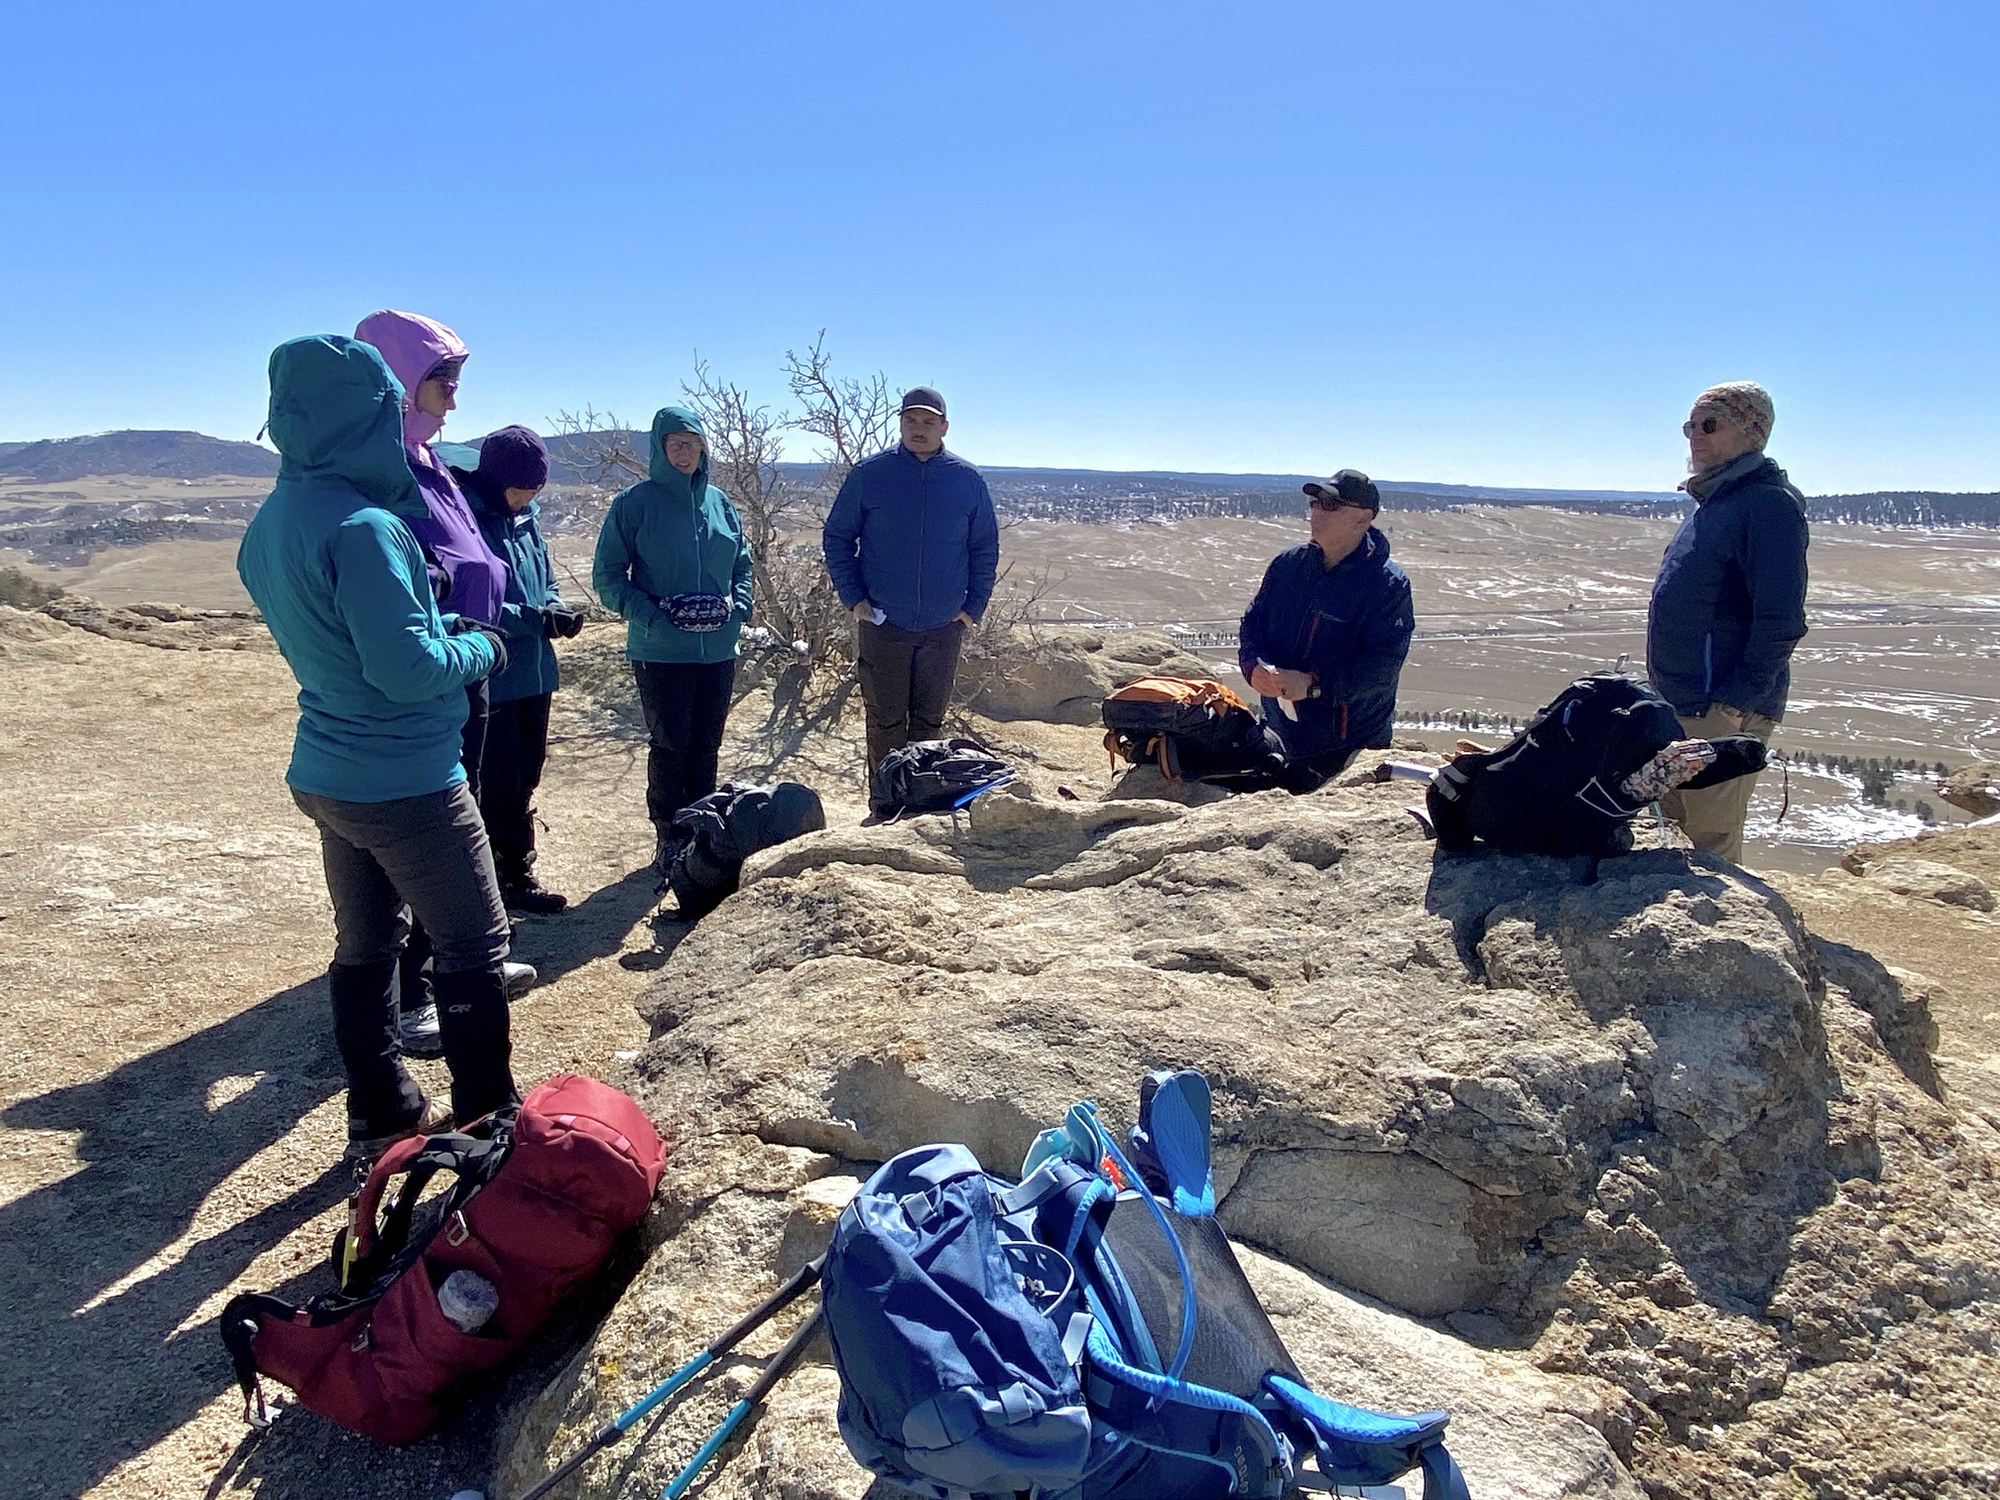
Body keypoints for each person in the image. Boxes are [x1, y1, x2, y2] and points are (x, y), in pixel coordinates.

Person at [236, 335, 518, 1168]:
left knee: (366, 943)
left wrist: (434, 627)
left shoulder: (275, 519)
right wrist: (482, 649)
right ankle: (485, 1130)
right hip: (406, 779)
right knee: (473, 947)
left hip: (328, 771)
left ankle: (383, 1108)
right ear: (363, 416)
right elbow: (405, 670)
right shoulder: (365, 526)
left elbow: (344, 642)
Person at [353, 309, 529, 1050]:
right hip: (434, 665)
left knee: (464, 815)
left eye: (456, 378)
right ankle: (413, 991)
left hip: (468, 662)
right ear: (398, 380)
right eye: (441, 379)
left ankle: (448, 965)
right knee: (429, 832)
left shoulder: (426, 459)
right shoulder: (384, 464)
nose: (454, 395)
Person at [1646, 381, 1809, 863]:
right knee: (1674, 828)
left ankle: (1728, 939)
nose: (1696, 436)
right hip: (1683, 699)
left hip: (1720, 706)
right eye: (1690, 426)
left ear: (1751, 432)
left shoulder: (1767, 506)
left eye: (1710, 424)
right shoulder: (1716, 503)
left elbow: (1781, 617)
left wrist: (1736, 704)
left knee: (1711, 843)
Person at [592, 407, 753, 875]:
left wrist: (739, 607)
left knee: (707, 743)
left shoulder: (721, 503)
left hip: (718, 648)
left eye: (692, 443)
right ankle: (669, 833)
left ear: (704, 447)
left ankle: (703, 829)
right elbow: (608, 576)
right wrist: (649, 616)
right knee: (671, 744)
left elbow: (742, 565)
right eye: (675, 444)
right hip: (661, 651)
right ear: (660, 448)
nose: (685, 453)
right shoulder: (634, 504)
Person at [821, 386, 1000, 775]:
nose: (919, 429)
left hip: (944, 627)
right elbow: (837, 536)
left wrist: (972, 609)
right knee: (885, 723)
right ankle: (885, 806)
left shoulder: (967, 480)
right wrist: (854, 598)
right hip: (885, 623)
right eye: (911, 420)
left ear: (944, 427)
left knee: (929, 726)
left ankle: (919, 810)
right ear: (900, 424)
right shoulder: (871, 475)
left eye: (928, 422)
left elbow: (984, 547)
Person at [454, 426, 585, 914]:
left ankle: (517, 870)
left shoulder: (527, 519)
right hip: (495, 674)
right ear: (494, 479)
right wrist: (533, 619)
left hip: (534, 673)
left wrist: (554, 608)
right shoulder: (468, 519)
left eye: (535, 490)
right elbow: (471, 601)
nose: (527, 497)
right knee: (494, 779)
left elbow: (544, 579)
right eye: (520, 488)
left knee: (526, 774)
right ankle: (489, 883)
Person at [1237, 469, 1414, 785]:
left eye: (1330, 505)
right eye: (1315, 502)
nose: (1316, 510)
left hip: (1348, 746)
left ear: (1363, 518)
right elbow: (1253, 621)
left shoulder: (1386, 585)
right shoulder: (1288, 565)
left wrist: (1312, 683)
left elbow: (1381, 668)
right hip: (1280, 734)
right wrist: (1253, 666)